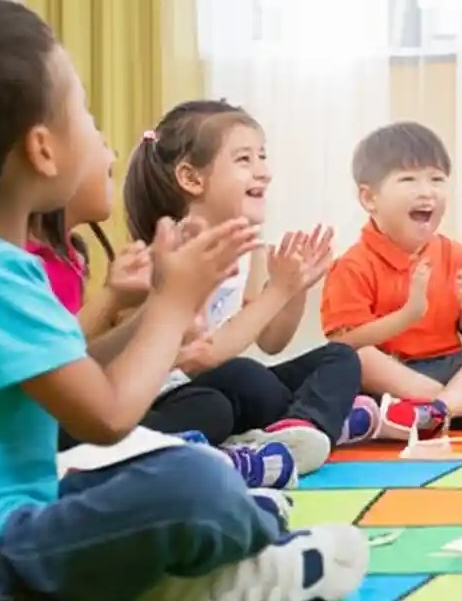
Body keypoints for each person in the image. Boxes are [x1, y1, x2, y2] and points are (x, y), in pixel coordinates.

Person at [0, 0, 365, 601]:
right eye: (85, 112)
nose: (100, 135)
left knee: (161, 477)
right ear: (43, 149)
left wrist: (160, 320)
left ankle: (189, 567)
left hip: (10, 526)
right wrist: (170, 307)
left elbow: (75, 369)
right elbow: (107, 416)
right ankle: (244, 574)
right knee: (189, 480)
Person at [30, 133, 300, 489]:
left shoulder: (71, 255)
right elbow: (71, 371)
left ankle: (194, 457)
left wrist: (160, 305)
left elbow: (77, 359)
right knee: (221, 398)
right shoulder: (14, 263)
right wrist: (148, 303)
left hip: (84, 411)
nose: (112, 149)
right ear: (42, 152)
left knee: (229, 394)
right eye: (93, 130)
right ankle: (191, 461)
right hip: (45, 432)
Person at [122, 100, 368, 475]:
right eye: (244, 159)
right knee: (230, 389)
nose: (264, 172)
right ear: (192, 178)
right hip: (165, 398)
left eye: (262, 157)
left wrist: (296, 286)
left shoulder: (247, 248)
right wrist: (279, 291)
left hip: (225, 385)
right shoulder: (174, 251)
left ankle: (302, 428)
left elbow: (272, 340)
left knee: (341, 357)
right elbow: (202, 356)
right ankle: (308, 424)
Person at [321, 121, 462, 439]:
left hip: (448, 364)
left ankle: (441, 409)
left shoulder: (452, 252)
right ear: (370, 198)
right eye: (408, 179)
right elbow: (345, 343)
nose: (427, 191)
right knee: (356, 357)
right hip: (391, 374)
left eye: (437, 179)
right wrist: (408, 314)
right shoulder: (352, 265)